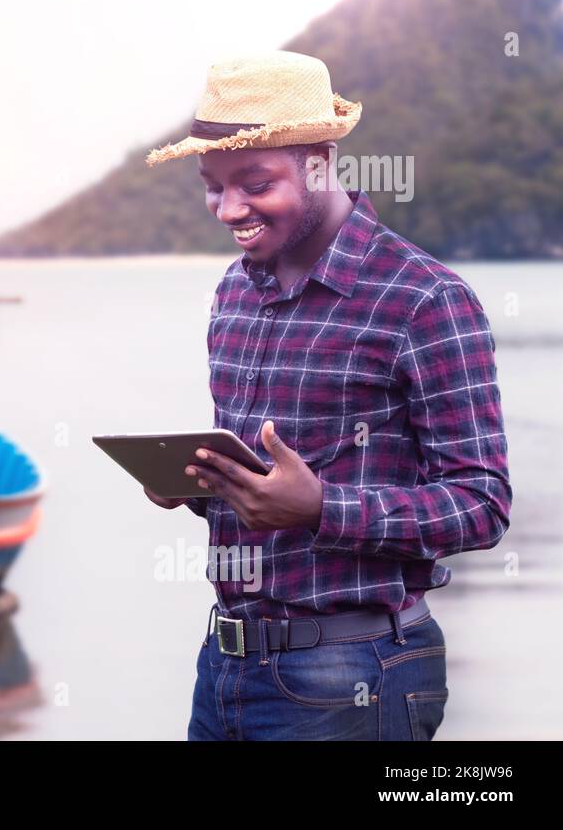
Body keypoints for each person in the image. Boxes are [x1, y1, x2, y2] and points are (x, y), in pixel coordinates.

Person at [143, 51, 511, 740]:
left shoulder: (425, 299)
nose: (229, 210)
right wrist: (202, 481)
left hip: (356, 675)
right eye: (211, 187)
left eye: (254, 184)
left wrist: (319, 508)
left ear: (319, 162)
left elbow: (482, 504)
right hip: (223, 667)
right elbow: (267, 482)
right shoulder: (233, 291)